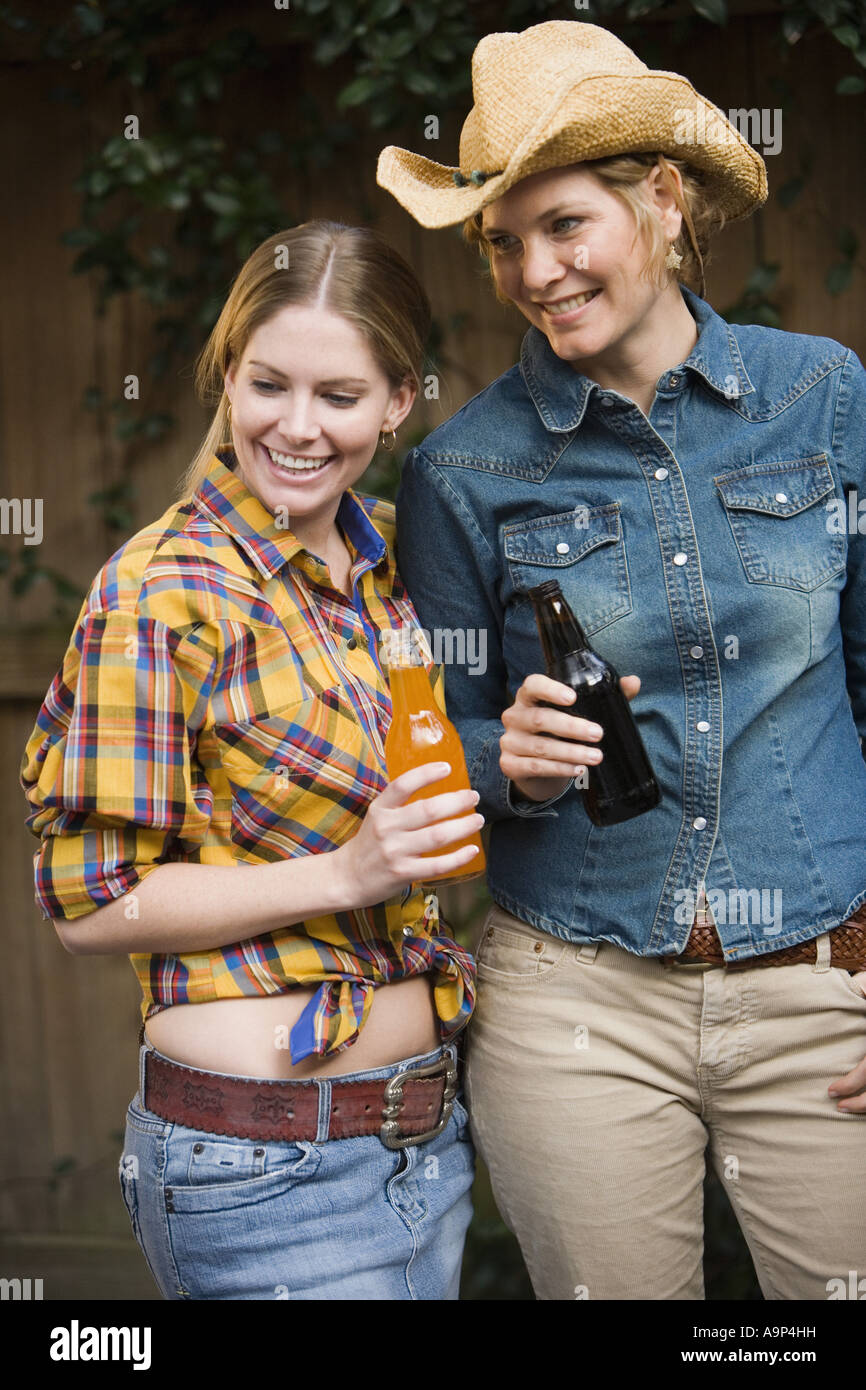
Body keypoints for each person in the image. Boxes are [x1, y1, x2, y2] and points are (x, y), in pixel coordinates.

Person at [379, 20, 866, 1299]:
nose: (533, 270)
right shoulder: (463, 470)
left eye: (563, 226)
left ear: (659, 201)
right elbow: (429, 747)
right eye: (502, 242)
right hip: (576, 1005)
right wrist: (508, 759)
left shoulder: (819, 395)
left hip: (825, 982)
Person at [19, 220, 483, 1301]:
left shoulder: (389, 567)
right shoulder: (162, 589)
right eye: (269, 383)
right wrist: (345, 875)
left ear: (398, 402)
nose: (298, 426)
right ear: (229, 375)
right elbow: (91, 907)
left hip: (422, 1142)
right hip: (267, 1172)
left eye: (339, 396)